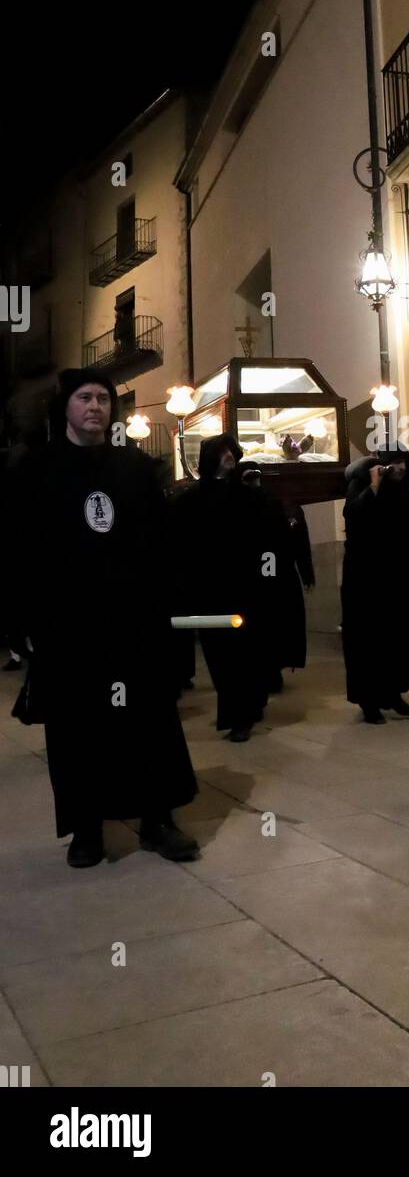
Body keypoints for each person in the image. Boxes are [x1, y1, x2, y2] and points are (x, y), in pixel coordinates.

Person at [6, 369, 199, 868]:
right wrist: (22, 619)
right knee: (77, 729)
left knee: (150, 721)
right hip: (69, 626)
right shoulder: (37, 471)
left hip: (134, 621)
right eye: (84, 397)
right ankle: (86, 830)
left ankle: (158, 820)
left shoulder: (134, 467)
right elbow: (20, 550)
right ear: (66, 408)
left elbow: (161, 544)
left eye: (103, 399)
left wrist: (169, 607)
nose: (95, 406)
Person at [172, 434, 268, 742]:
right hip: (208, 592)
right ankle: (236, 713)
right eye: (223, 452)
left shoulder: (245, 495)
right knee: (220, 656)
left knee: (244, 653)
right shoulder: (190, 499)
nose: (229, 456)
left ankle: (244, 714)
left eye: (232, 452)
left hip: (243, 589)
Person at [341, 446, 409, 723]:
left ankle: (393, 694)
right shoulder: (362, 486)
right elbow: (352, 518)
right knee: (369, 643)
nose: (401, 468)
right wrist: (374, 488)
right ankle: (369, 702)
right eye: (394, 463)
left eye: (404, 463)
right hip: (367, 584)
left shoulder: (407, 496)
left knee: (402, 642)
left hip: (399, 584)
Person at [236, 463, 307, 695]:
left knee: (273, 628)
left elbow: (291, 539)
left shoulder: (272, 503)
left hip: (274, 578)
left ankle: (270, 671)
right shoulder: (248, 504)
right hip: (260, 579)